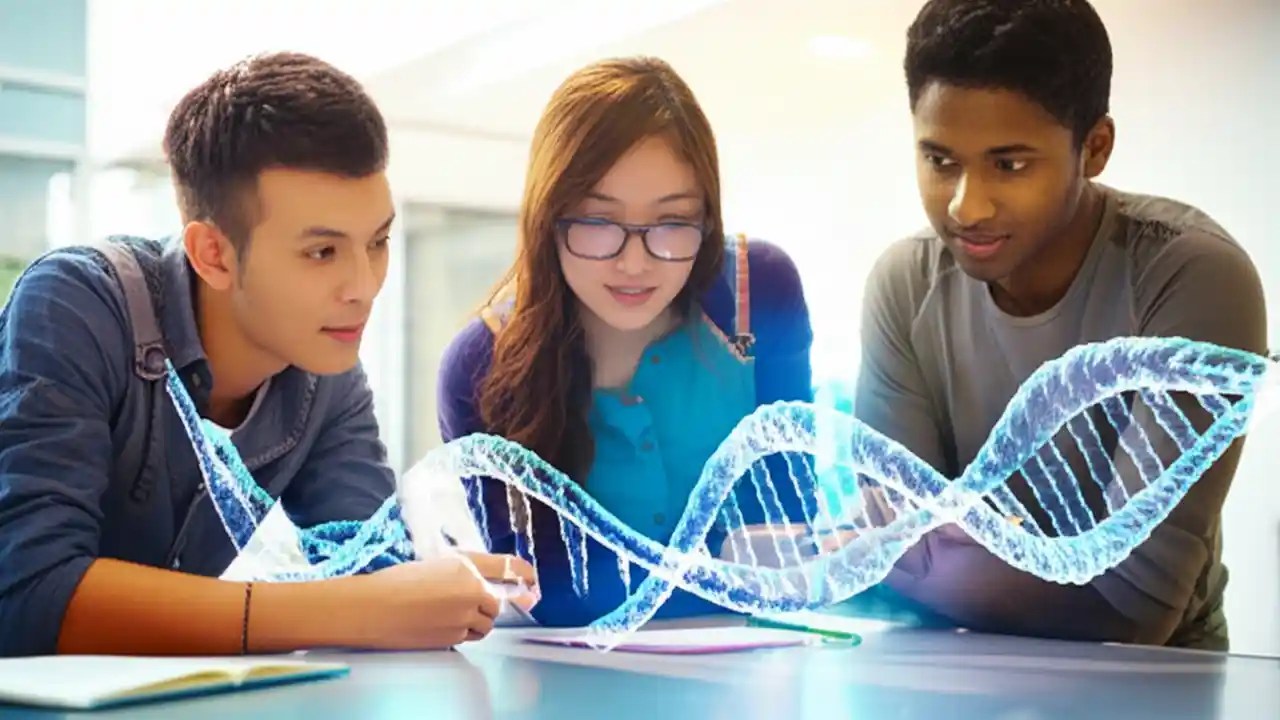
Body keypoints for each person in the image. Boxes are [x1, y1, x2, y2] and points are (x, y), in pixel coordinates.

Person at [0, 52, 536, 658]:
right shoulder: (74, 304)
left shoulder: (325, 368)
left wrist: (434, 586)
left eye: (379, 242)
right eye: (322, 253)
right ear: (214, 255)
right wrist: (354, 608)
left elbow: (363, 565)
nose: (363, 286)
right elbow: (28, 597)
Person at [854, 0, 1269, 649]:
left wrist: (897, 559)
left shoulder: (1188, 276)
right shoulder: (904, 284)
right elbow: (889, 538)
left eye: (1009, 164)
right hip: (949, 665)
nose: (968, 206)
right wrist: (903, 556)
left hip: (1152, 685)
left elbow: (1134, 606)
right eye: (940, 161)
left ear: (1095, 147)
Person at [436, 56, 815, 626]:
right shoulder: (479, 365)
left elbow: (788, 538)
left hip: (755, 669)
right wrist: (721, 569)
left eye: (672, 223)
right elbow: (541, 593)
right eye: (597, 221)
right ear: (547, 217)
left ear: (707, 217)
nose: (635, 263)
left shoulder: (757, 293)